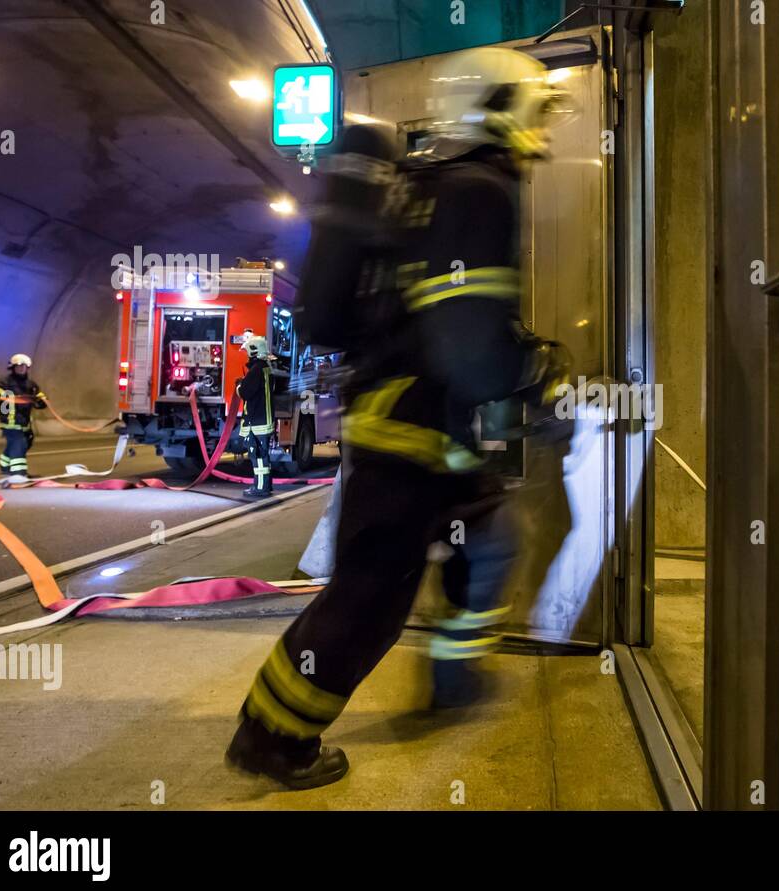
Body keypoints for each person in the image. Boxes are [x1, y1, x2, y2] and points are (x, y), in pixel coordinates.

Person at [225, 46, 572, 789]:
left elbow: (448, 314)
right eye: (536, 109)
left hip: (421, 417)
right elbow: (467, 331)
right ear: (499, 106)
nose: (542, 128)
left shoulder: (429, 188)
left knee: (484, 541)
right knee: (371, 592)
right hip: (413, 420)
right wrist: (534, 380)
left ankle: (453, 683)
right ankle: (274, 731)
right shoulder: (480, 188)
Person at [0, 353, 46, 478]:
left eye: (24, 366)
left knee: (25, 442)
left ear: (28, 368)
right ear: (12, 367)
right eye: (18, 366)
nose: (21, 369)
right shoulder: (4, 382)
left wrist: (41, 402)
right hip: (9, 421)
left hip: (24, 422)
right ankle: (19, 474)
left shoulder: (31, 385)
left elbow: (41, 399)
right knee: (19, 444)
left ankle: (4, 465)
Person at [235, 334, 275, 498]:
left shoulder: (255, 370)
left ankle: (260, 488)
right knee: (263, 455)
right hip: (264, 420)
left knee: (257, 455)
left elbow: (245, 392)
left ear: (253, 351)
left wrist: (238, 385)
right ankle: (266, 485)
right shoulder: (267, 369)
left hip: (256, 422)